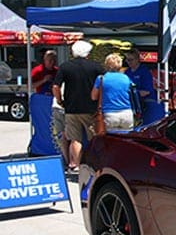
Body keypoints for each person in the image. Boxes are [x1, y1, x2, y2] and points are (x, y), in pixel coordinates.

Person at [52, 40, 104, 173]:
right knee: (93, 139)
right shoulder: (96, 67)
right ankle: (93, 166)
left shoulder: (65, 66)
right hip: (90, 108)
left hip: (71, 109)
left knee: (75, 139)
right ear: (88, 53)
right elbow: (103, 85)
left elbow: (56, 86)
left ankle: (78, 166)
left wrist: (60, 100)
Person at [92, 53, 134, 130]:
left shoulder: (101, 78)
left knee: (110, 137)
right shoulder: (126, 78)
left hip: (109, 113)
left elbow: (93, 97)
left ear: (106, 65)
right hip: (127, 113)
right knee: (127, 137)